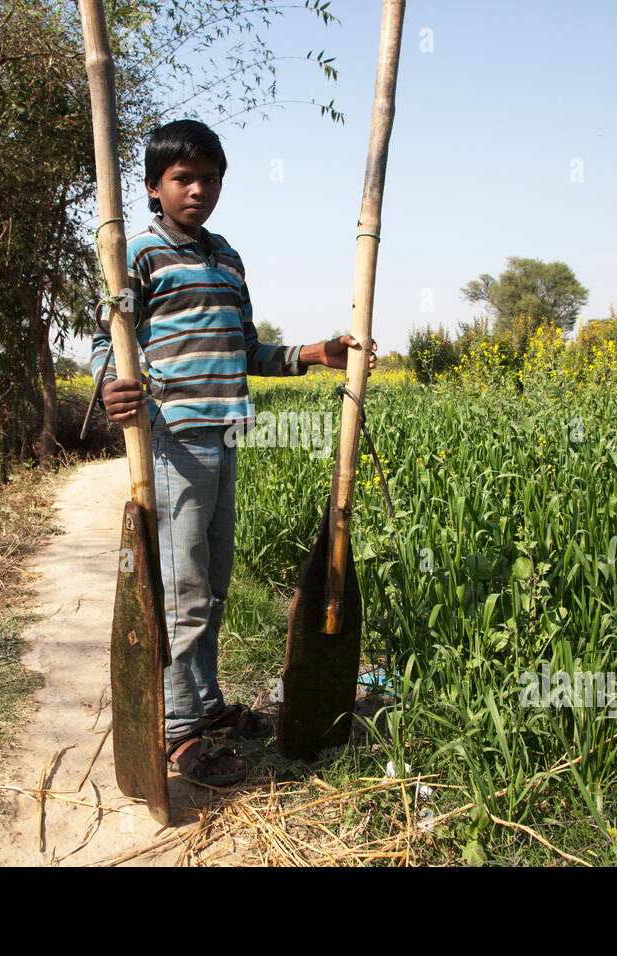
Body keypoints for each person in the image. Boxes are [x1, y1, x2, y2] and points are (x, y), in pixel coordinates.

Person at [90, 119, 376, 785]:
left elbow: (246, 351)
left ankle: (210, 707)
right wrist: (111, 387)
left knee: (214, 587)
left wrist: (313, 354)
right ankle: (179, 733)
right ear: (154, 188)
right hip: (172, 445)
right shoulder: (139, 255)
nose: (198, 190)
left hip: (224, 440)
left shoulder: (227, 258)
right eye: (183, 179)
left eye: (210, 178)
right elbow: (112, 340)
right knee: (182, 591)